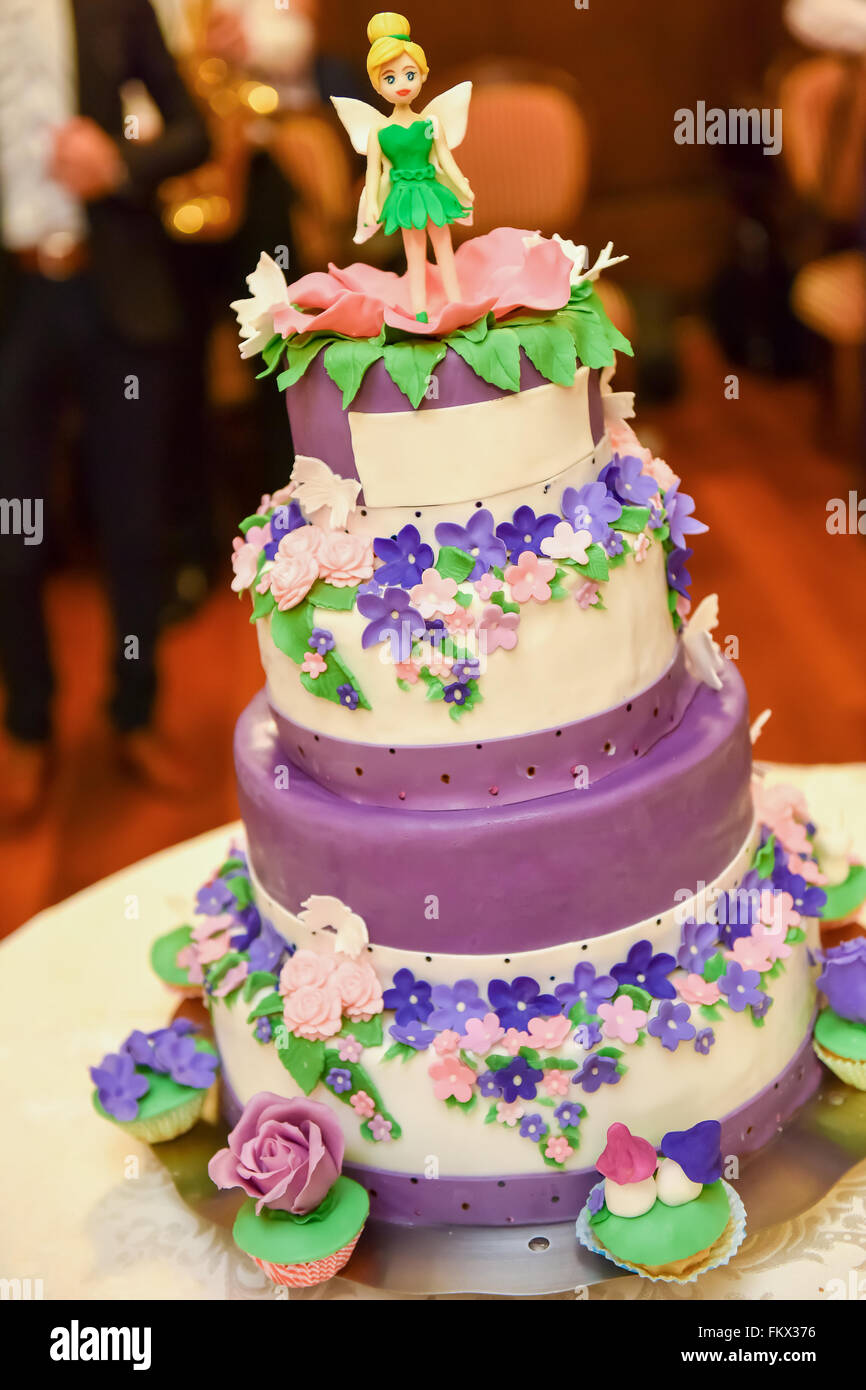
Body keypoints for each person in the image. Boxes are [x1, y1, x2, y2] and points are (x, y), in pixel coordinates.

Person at [0, 0, 210, 825]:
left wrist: (119, 164)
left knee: (132, 528)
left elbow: (194, 129)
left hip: (114, 294)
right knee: (12, 539)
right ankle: (26, 726)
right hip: (12, 309)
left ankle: (135, 713)